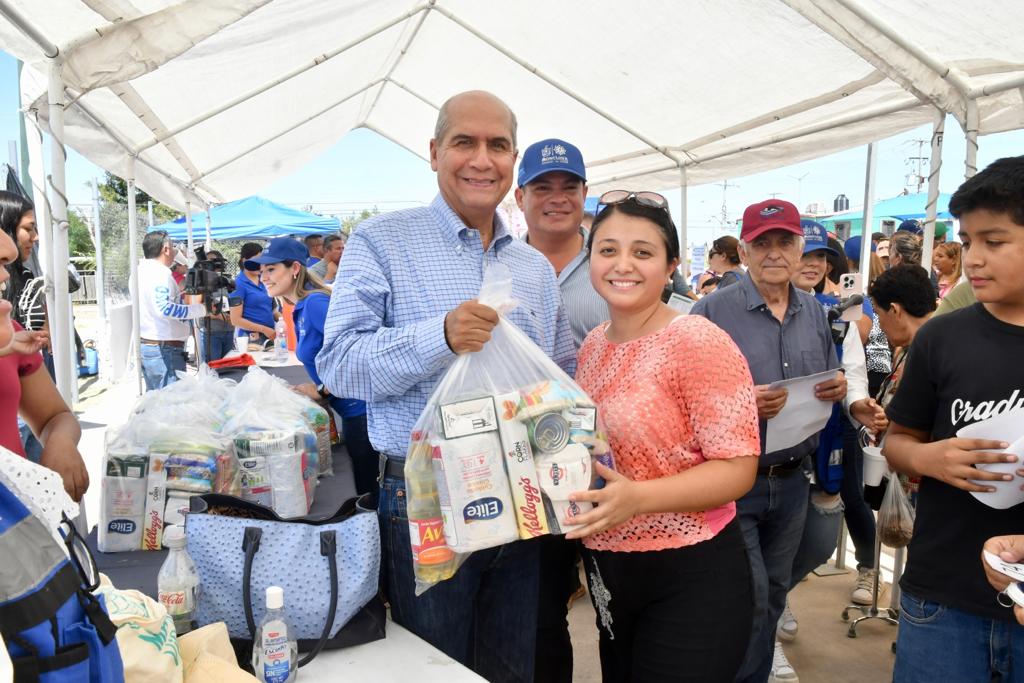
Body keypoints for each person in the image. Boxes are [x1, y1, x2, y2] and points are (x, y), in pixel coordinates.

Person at [315, 90, 575, 683]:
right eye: (465, 142)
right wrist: (439, 336)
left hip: (520, 490)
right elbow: (338, 365)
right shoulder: (382, 242)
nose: (482, 159)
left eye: (498, 145)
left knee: (512, 662)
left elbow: (557, 376)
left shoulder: (534, 269)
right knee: (435, 666)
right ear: (434, 153)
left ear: (513, 161)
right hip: (422, 493)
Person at [569, 190, 759, 682]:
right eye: (607, 249)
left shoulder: (696, 340)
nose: (622, 264)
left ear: (671, 263)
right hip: (610, 569)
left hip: (692, 571)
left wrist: (638, 498)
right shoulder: (592, 347)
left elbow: (737, 469)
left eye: (643, 251)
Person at [690, 199, 845, 683]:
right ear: (744, 249)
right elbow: (686, 398)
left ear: (801, 249)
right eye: (763, 243)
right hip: (735, 482)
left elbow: (825, 373)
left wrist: (837, 386)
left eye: (785, 242)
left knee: (775, 591)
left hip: (793, 478)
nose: (775, 253)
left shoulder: (815, 313)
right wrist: (740, 402)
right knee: (749, 597)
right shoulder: (711, 312)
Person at [883, 156, 1024, 681]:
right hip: (943, 594)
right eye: (967, 243)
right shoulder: (942, 337)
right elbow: (897, 441)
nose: (974, 260)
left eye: (995, 241)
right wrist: (929, 458)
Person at [515, 137, 608, 681]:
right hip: (525, 468)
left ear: (583, 193)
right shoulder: (502, 263)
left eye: (568, 186)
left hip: (605, 466)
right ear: (521, 195)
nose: (556, 198)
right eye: (543, 187)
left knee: (614, 603)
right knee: (539, 609)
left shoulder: (614, 260)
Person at [776, 223, 886, 674]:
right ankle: (770, 613)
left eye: (821, 256)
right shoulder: (750, 308)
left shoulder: (840, 313)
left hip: (831, 441)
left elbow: (854, 370)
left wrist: (859, 402)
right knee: (773, 540)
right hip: (773, 451)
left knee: (821, 540)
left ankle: (776, 592)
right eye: (807, 253)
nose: (813, 264)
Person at [251, 237, 378, 499]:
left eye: (272, 269)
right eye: (262, 271)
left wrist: (321, 390)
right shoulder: (302, 307)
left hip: (364, 415)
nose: (264, 277)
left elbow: (360, 355)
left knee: (371, 498)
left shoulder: (316, 304)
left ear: (295, 268)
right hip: (353, 414)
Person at [0, 226, 89, 501]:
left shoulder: (12, 336)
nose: (9, 253)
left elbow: (55, 417)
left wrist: (60, 442)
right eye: (28, 227)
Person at [138, 230, 205, 390]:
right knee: (170, 406)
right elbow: (165, 309)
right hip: (164, 350)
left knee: (157, 404)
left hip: (153, 346)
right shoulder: (160, 274)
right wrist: (201, 309)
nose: (175, 252)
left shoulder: (140, 271)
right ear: (166, 249)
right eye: (173, 247)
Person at [228, 242, 276, 345]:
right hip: (250, 338)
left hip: (270, 335)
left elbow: (272, 310)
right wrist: (264, 329)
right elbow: (235, 320)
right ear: (245, 261)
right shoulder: (238, 284)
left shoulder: (263, 280)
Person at [196, 249, 236, 363]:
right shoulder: (200, 282)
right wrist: (220, 316)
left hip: (229, 331)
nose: (210, 264)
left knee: (228, 369)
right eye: (207, 261)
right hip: (211, 333)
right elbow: (198, 306)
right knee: (212, 370)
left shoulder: (227, 281)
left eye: (213, 261)